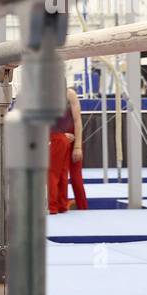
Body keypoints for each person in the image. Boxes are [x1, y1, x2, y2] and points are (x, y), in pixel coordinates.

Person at [48, 86, 85, 214]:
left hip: (72, 137)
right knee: (59, 174)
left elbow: (77, 120)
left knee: (75, 178)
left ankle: (83, 208)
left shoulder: (70, 94)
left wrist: (78, 146)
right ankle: (60, 205)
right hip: (59, 137)